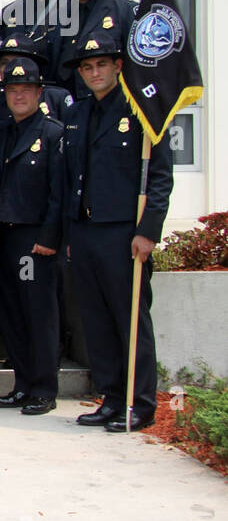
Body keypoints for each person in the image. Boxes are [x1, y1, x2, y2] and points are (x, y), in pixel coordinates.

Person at [62, 36, 173, 432]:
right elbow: (70, 176)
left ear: (118, 67)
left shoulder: (140, 111)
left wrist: (148, 231)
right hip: (86, 230)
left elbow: (159, 177)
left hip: (123, 234)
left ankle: (140, 404)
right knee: (96, 321)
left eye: (102, 65)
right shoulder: (78, 114)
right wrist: (71, 232)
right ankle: (110, 398)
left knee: (130, 322)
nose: (95, 73)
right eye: (88, 67)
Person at [0, 57, 65, 415]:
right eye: (12, 90)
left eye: (25, 89)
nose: (18, 96)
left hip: (33, 241)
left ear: (39, 92)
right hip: (2, 238)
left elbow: (58, 193)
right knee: (12, 313)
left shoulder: (52, 133)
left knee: (37, 313)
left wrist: (49, 237)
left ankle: (44, 387)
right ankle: (21, 384)